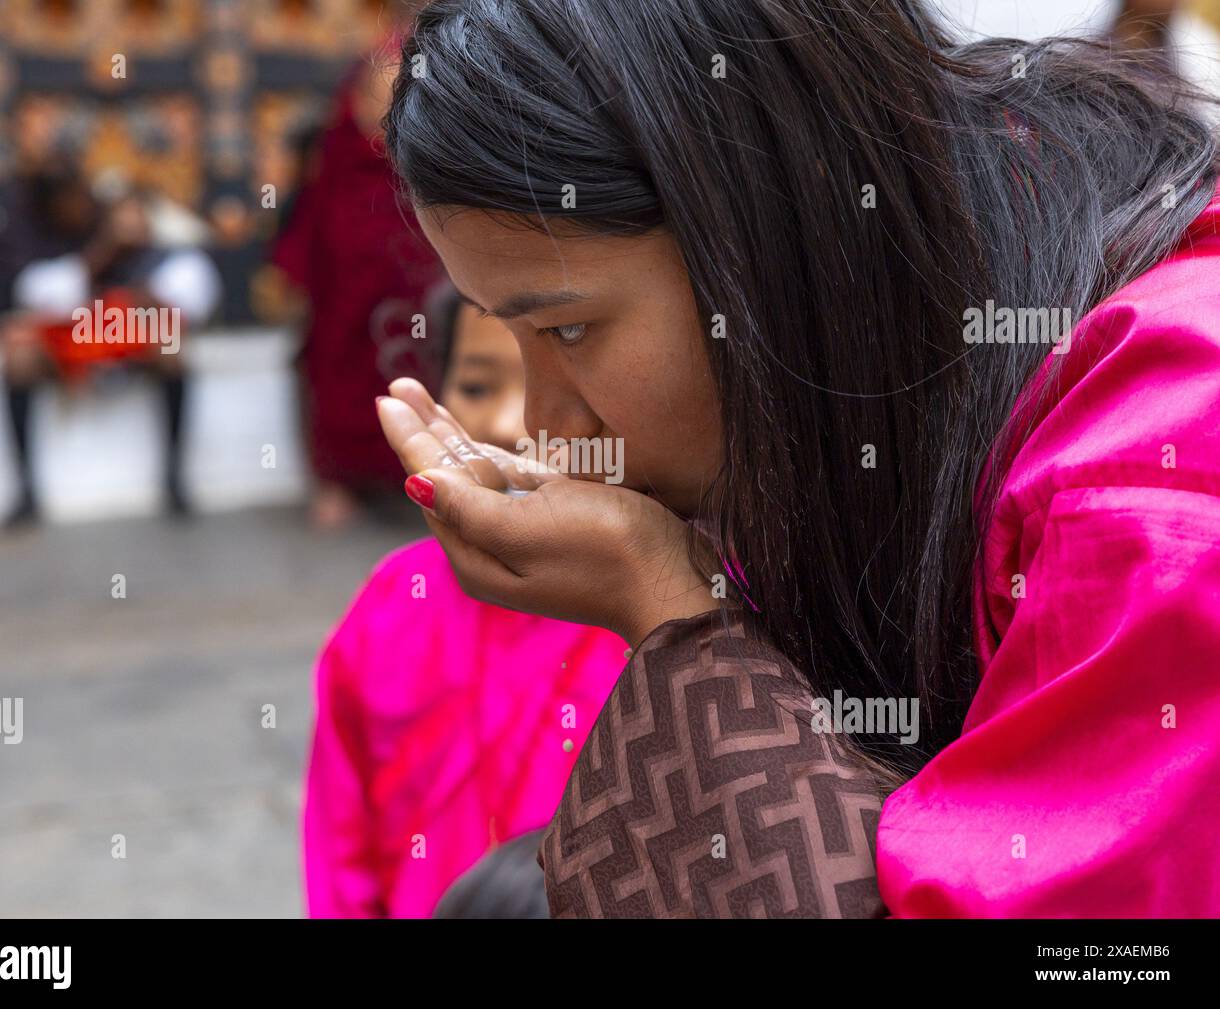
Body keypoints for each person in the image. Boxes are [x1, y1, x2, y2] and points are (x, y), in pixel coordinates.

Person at [375, 0, 1220, 916]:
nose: (546, 425)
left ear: (764, 228)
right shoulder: (883, 414)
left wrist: (671, 612)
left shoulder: (1162, 451)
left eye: (569, 326)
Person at [302, 285, 627, 918]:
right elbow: (342, 847)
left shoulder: (658, 599)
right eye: (479, 387)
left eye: (556, 391)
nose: (510, 424)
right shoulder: (392, 605)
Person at [272, 0, 442, 531]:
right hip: (365, 220)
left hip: (403, 217)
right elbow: (385, 135)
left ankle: (410, 469)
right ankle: (336, 480)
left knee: (413, 346)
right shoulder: (391, 56)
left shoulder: (422, 51)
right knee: (347, 343)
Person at [0, 166, 220, 525]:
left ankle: (175, 479)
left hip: (133, 343)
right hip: (77, 346)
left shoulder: (169, 253)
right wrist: (102, 254)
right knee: (18, 356)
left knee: (172, 350)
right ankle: (25, 491)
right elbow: (38, 295)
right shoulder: (76, 248)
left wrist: (144, 295)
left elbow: (195, 299)